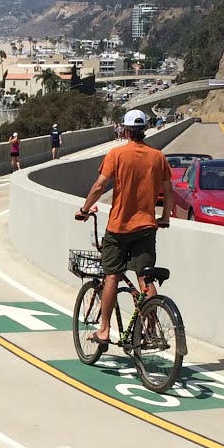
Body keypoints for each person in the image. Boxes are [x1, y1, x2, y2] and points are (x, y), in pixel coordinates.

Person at [74, 110, 176, 346]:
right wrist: (164, 218)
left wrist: (85, 209)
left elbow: (100, 185)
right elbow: (169, 191)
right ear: (145, 129)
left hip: (119, 228)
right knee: (145, 277)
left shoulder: (117, 154)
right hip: (147, 227)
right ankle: (151, 329)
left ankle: (104, 330)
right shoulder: (158, 157)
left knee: (111, 275)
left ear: (126, 130)